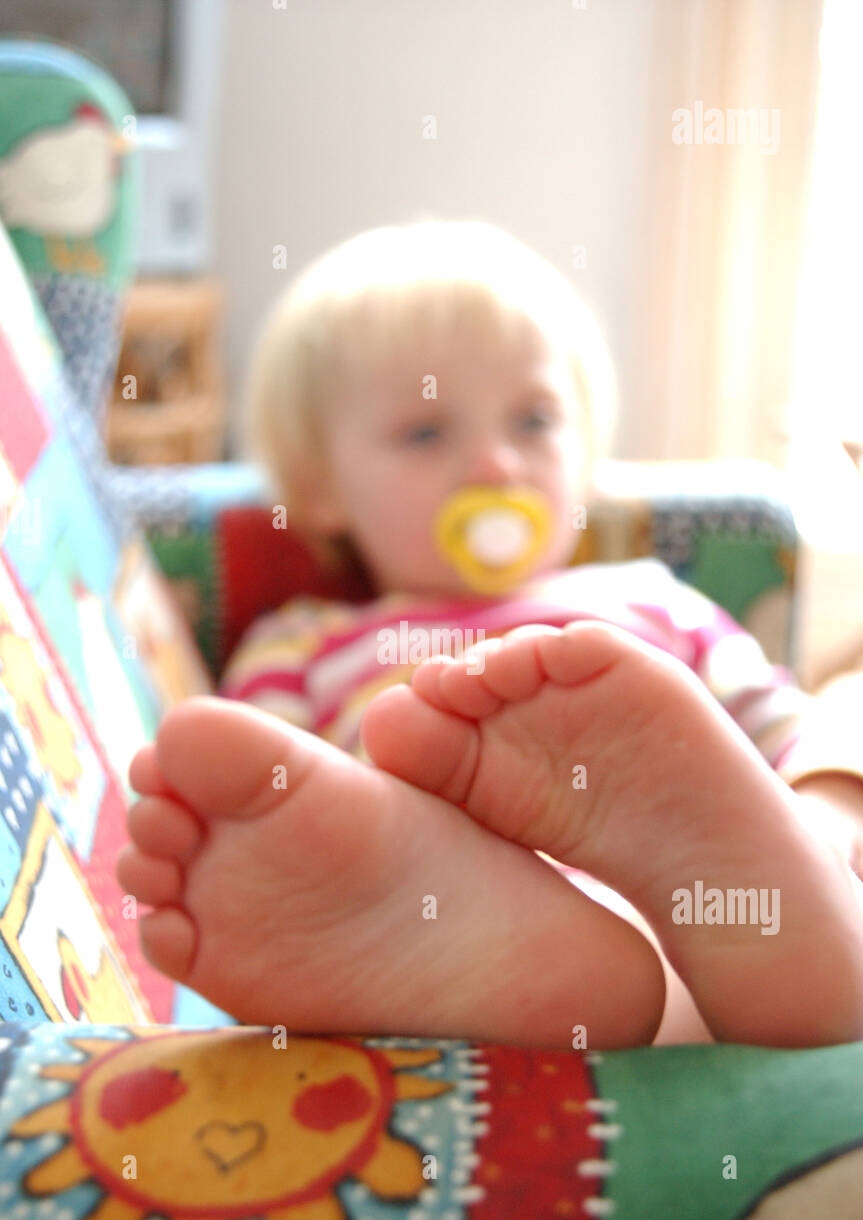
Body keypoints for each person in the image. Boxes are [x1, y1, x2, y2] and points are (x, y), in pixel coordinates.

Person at [117, 220, 863, 1050]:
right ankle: (512, 945)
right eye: (428, 433)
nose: (496, 467)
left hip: (680, 915)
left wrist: (826, 821)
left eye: (534, 422)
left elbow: (794, 730)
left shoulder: (649, 602)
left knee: (831, 755)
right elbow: (257, 805)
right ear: (319, 488)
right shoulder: (303, 641)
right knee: (325, 817)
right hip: (433, 925)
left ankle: (780, 918)